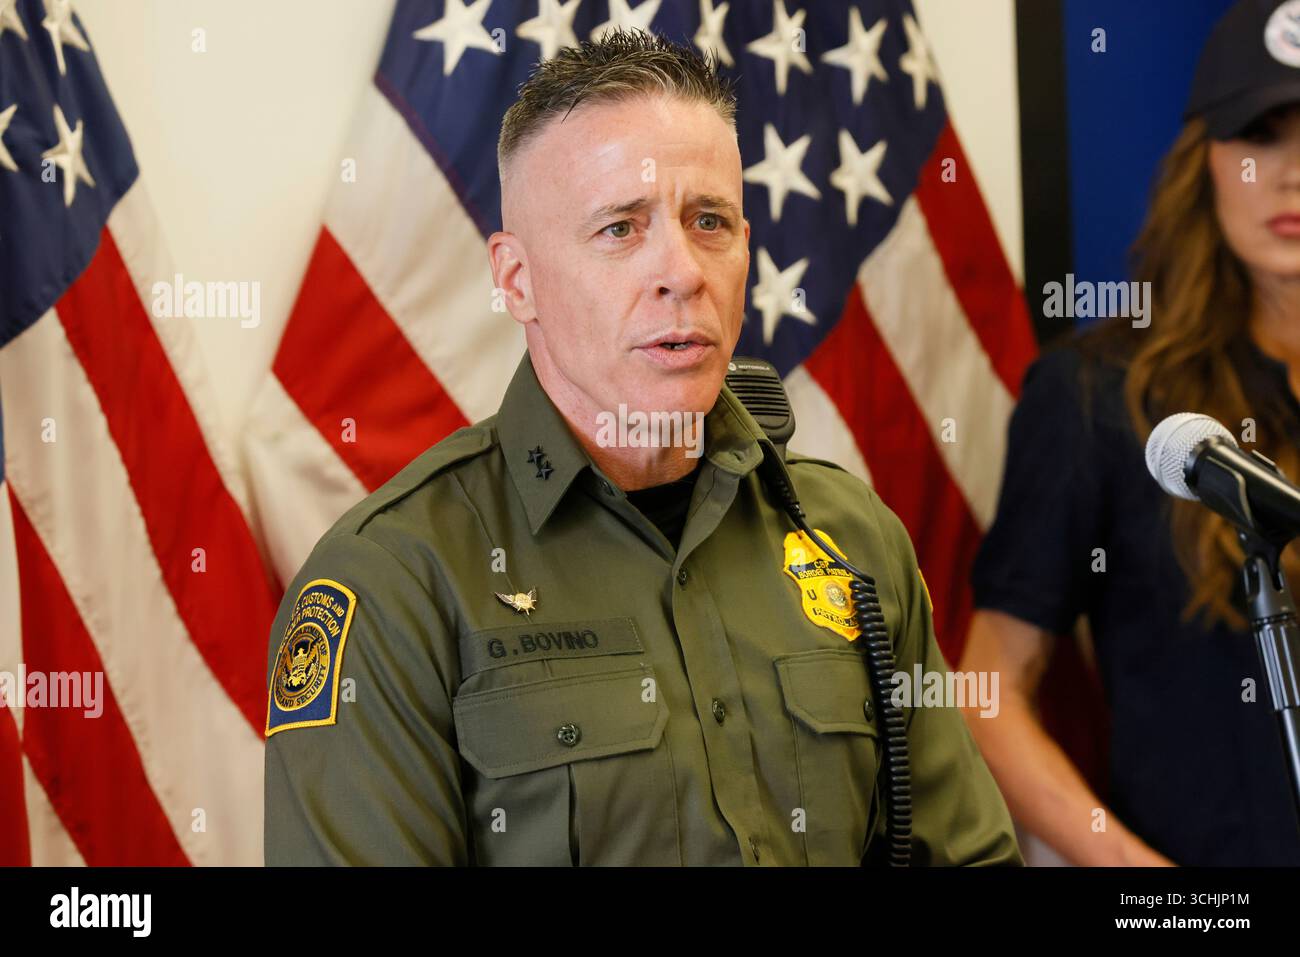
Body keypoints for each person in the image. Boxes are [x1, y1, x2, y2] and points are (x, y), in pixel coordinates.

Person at [262, 28, 1021, 867]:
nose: (683, 271)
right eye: (621, 229)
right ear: (517, 280)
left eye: (710, 222)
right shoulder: (391, 584)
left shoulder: (852, 538)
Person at [960, 0, 1300, 866]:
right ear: (1205, 163)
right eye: (1260, 134)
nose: (1291, 173)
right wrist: (1140, 880)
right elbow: (988, 689)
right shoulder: (1098, 394)